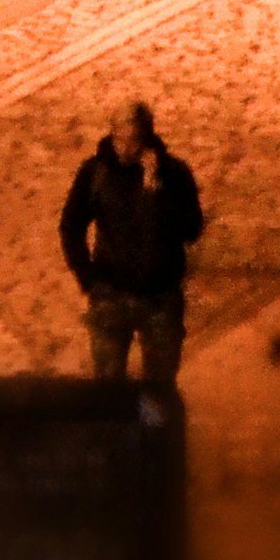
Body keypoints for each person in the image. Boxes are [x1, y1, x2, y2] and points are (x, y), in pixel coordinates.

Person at [58, 96, 207, 394]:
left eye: (133, 141)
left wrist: (158, 190)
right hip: (111, 296)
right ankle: (114, 439)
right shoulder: (94, 173)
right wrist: (88, 278)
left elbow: (191, 229)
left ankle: (154, 438)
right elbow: (71, 226)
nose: (125, 148)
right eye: (119, 139)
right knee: (107, 391)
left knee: (159, 391)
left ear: (147, 139)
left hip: (160, 299)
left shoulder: (174, 174)